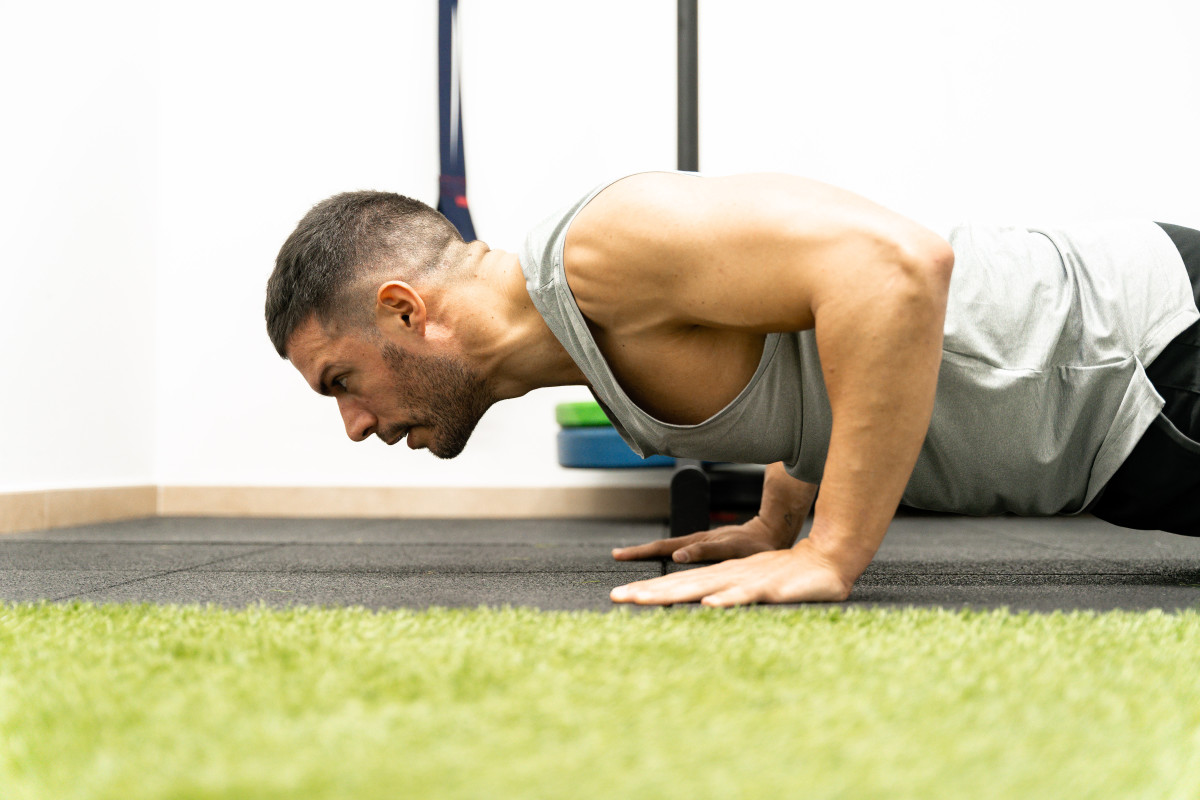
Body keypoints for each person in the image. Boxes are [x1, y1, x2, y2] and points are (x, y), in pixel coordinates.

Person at [265, 172, 1200, 606]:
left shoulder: (600, 245)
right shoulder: (580, 334)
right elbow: (801, 344)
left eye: (339, 382)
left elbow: (899, 268)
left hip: (1150, 349)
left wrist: (833, 553)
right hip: (1118, 448)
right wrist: (776, 521)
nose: (352, 425)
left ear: (401, 310)